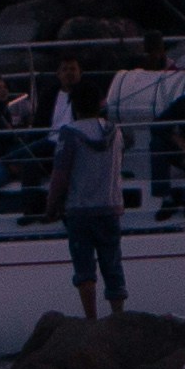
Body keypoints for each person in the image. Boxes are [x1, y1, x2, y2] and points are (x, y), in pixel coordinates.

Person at [53, 91, 128, 317]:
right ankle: (118, 316)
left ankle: (91, 320)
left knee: (84, 270)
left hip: (80, 210)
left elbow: (60, 175)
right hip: (110, 207)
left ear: (75, 108)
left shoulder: (69, 134)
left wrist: (51, 205)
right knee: (112, 263)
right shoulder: (115, 132)